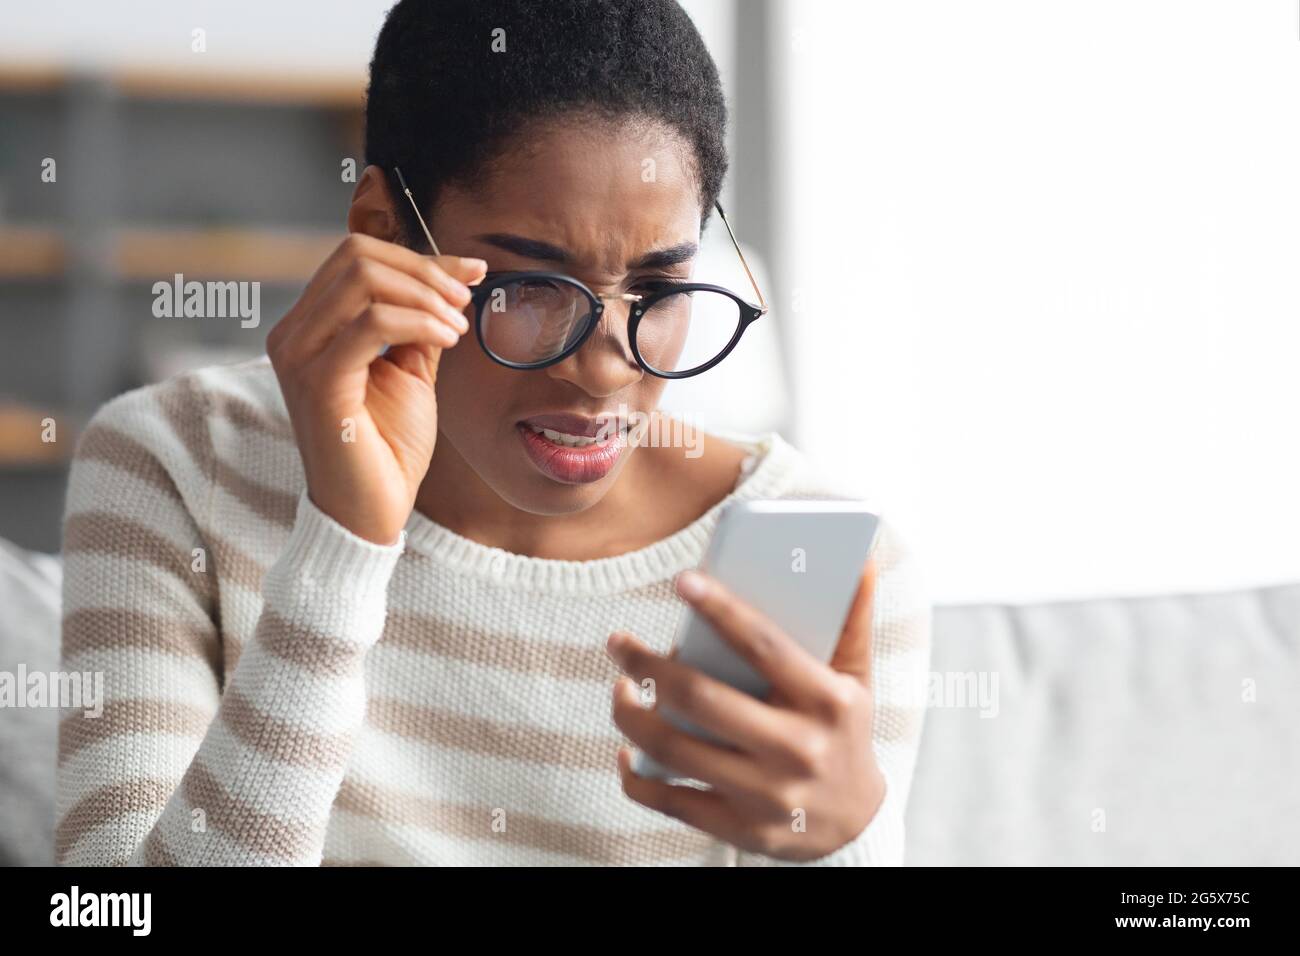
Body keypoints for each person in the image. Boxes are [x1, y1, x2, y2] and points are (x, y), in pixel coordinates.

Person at [55, 0, 931, 866]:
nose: (606, 369)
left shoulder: (820, 564)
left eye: (660, 291)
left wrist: (847, 843)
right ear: (384, 234)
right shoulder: (177, 463)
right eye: (533, 286)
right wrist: (343, 543)